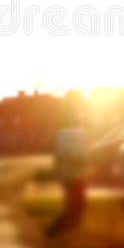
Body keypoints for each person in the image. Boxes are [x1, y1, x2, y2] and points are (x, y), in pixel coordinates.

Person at [47, 92, 88, 236]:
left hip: (66, 169)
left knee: (69, 193)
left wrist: (59, 165)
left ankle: (70, 215)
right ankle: (74, 218)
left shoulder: (62, 134)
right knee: (77, 194)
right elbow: (85, 154)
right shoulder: (81, 132)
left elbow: (57, 155)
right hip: (78, 169)